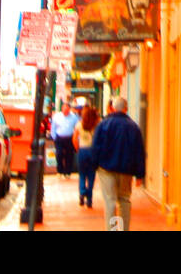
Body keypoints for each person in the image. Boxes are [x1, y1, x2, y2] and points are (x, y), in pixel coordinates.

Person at [88, 96, 145, 231]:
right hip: (126, 169)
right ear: (126, 109)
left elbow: (96, 147)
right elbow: (139, 152)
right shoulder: (133, 127)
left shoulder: (103, 125)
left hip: (106, 169)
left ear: (112, 108)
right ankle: (124, 229)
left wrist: (94, 165)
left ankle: (113, 229)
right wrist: (140, 174)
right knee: (124, 200)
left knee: (110, 201)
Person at [74, 103, 99, 207]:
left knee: (82, 174)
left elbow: (75, 139)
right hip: (93, 151)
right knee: (91, 175)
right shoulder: (97, 125)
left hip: (82, 150)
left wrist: (77, 149)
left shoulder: (79, 125)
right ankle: (89, 199)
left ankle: (82, 192)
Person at [50, 99, 79, 176]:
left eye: (67, 109)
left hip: (70, 138)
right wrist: (54, 137)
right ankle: (60, 171)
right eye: (64, 109)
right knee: (59, 154)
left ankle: (67, 172)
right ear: (62, 109)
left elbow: (77, 128)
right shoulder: (57, 116)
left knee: (69, 155)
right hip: (59, 138)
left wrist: (76, 139)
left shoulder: (74, 117)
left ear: (69, 109)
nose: (65, 111)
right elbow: (53, 127)